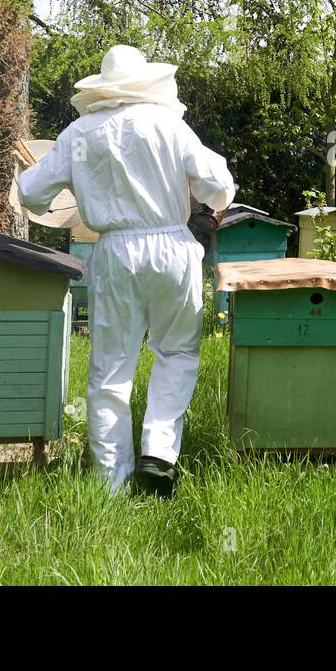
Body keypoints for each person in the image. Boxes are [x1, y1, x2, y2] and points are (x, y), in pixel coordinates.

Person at [16, 45, 236, 495]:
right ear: (147, 83)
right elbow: (219, 185)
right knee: (176, 352)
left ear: (103, 87)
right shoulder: (170, 126)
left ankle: (112, 483)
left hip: (115, 251)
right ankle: (158, 452)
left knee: (111, 370)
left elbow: (31, 194)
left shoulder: (79, 132)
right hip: (173, 246)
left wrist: (70, 185)